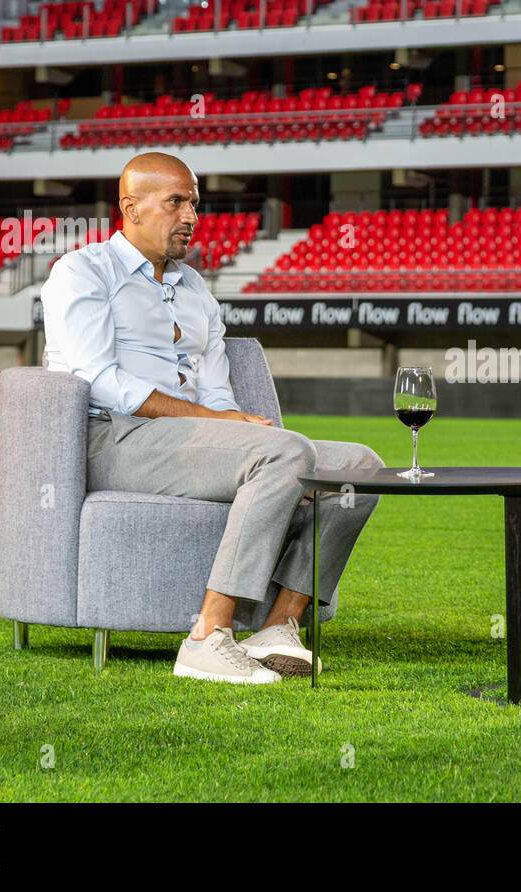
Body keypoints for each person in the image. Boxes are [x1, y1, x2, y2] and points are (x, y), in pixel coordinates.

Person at [41, 152, 383, 685]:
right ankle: (207, 636)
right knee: (287, 453)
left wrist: (237, 426)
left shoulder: (195, 288)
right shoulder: (82, 271)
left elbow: (217, 390)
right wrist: (221, 423)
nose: (190, 216)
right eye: (175, 201)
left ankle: (277, 628)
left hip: (185, 442)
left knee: (359, 465)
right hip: (112, 438)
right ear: (130, 207)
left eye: (194, 204)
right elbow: (97, 377)